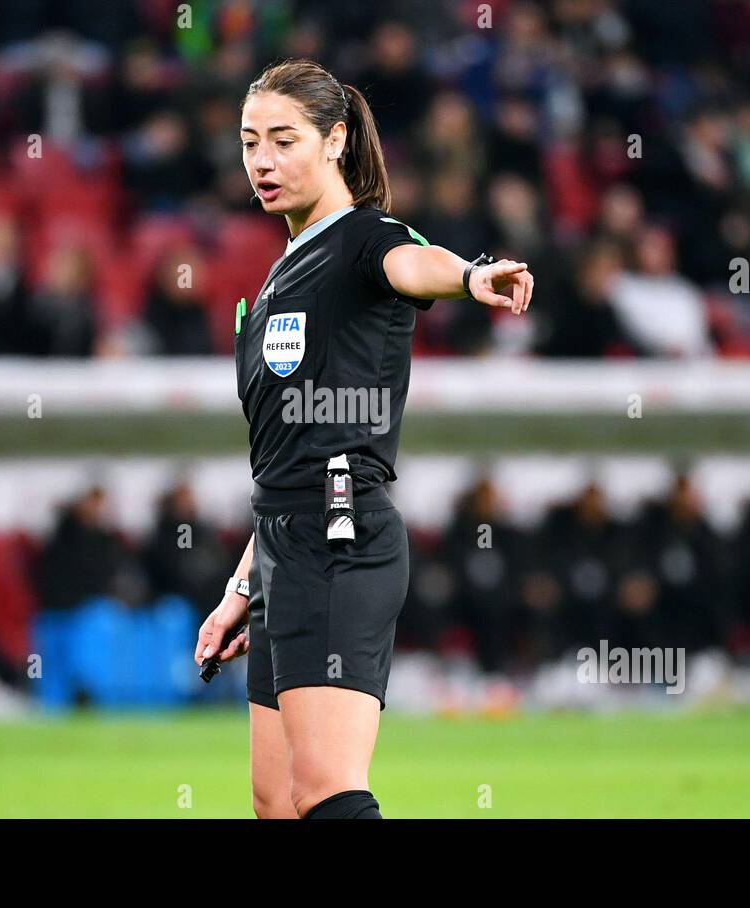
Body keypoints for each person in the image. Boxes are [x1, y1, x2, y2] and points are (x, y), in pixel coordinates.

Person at [192, 59, 532, 819]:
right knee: (277, 803)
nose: (262, 161)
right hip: (285, 539)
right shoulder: (279, 275)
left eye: (284, 140)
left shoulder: (364, 238)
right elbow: (284, 460)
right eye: (250, 143)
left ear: (336, 139)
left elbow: (414, 263)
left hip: (341, 537)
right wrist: (240, 589)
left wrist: (472, 277)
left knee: (327, 791)